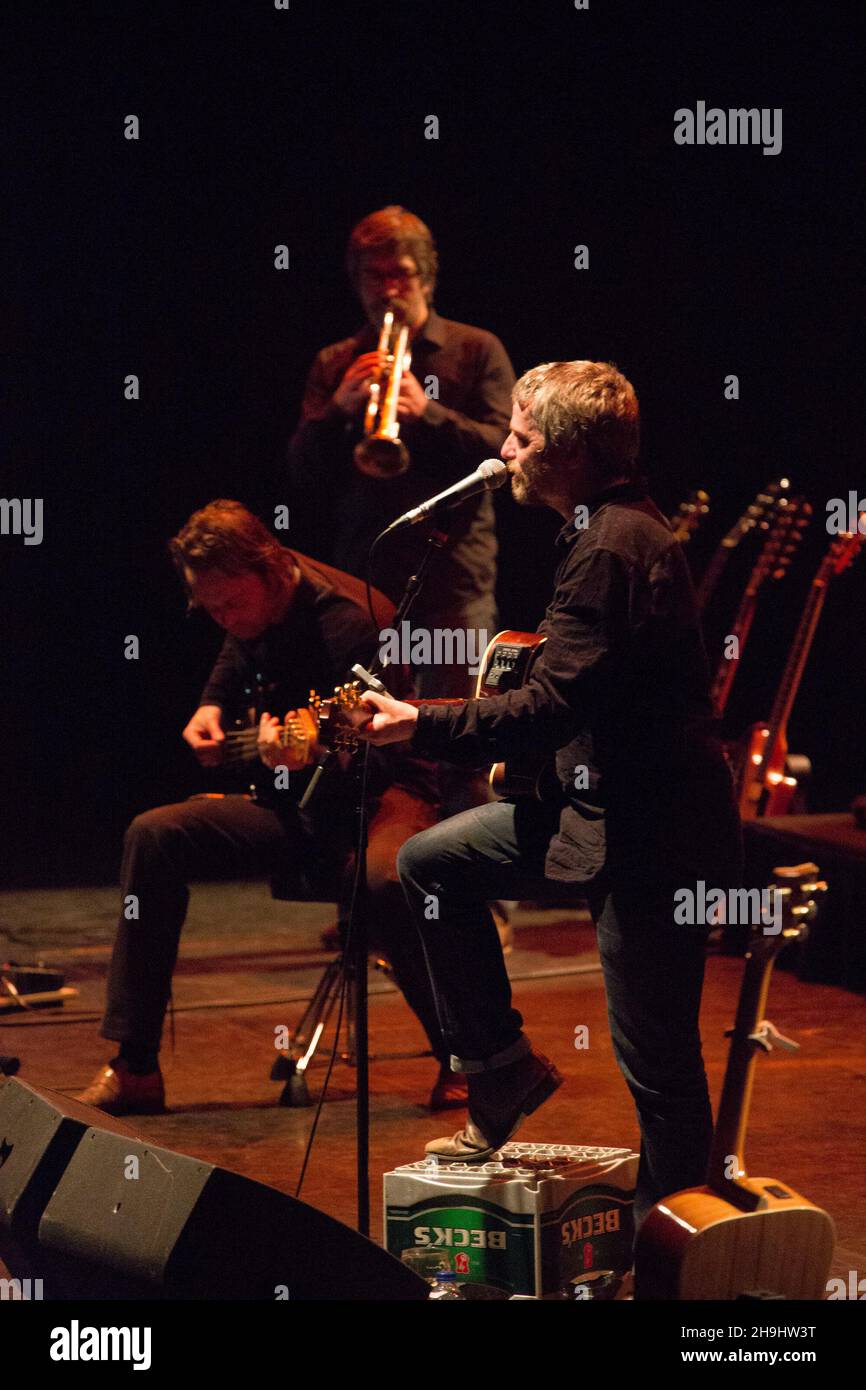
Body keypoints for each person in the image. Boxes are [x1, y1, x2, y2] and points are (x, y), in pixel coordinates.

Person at [355, 361, 744, 1231]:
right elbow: (582, 688)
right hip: (591, 812)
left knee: (658, 1064)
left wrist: (419, 723)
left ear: (568, 451)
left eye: (522, 439)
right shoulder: (597, 529)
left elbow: (554, 704)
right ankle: (499, 1066)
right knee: (430, 861)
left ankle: (676, 1259)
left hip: (652, 835)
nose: (506, 452)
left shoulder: (612, 544)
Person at [76, 500, 467, 1115]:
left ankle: (466, 1059)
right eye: (208, 608)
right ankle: (136, 1067)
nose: (220, 618)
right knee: (154, 836)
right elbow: (242, 644)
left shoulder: (355, 622)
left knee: (388, 876)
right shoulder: (247, 609)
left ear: (274, 572)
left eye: (229, 603)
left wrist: (315, 752)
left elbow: (386, 746)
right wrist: (212, 702)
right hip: (300, 802)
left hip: (384, 793)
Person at [286, 205, 515, 711]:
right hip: (364, 578)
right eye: (375, 276)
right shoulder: (336, 361)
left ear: (426, 278)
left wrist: (428, 413)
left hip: (453, 582)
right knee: (364, 741)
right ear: (357, 282)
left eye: (402, 274)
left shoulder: (477, 349)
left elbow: (508, 453)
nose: (389, 289)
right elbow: (300, 474)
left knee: (457, 736)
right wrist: (335, 413)